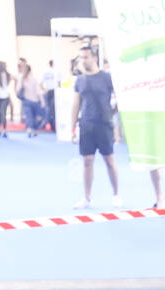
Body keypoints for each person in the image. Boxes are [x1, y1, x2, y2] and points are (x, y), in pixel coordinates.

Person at [70, 46, 120, 208]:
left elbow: (119, 98)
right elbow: (76, 104)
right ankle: (87, 198)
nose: (83, 61)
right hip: (86, 126)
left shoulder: (107, 78)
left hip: (104, 126)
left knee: (110, 161)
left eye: (86, 57)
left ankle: (116, 194)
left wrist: (113, 115)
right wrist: (72, 129)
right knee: (87, 161)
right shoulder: (80, 80)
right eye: (81, 58)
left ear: (94, 58)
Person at [16, 59, 42, 136]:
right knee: (34, 116)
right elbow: (38, 90)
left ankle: (29, 129)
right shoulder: (34, 79)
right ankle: (33, 129)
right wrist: (42, 100)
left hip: (27, 100)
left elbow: (18, 89)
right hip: (35, 100)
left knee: (29, 115)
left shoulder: (22, 79)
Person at [41, 58, 59, 132]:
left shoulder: (45, 72)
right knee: (53, 109)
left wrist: (44, 90)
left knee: (48, 109)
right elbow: (59, 83)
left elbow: (41, 83)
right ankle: (52, 124)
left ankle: (48, 123)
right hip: (54, 91)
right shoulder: (57, 72)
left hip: (48, 91)